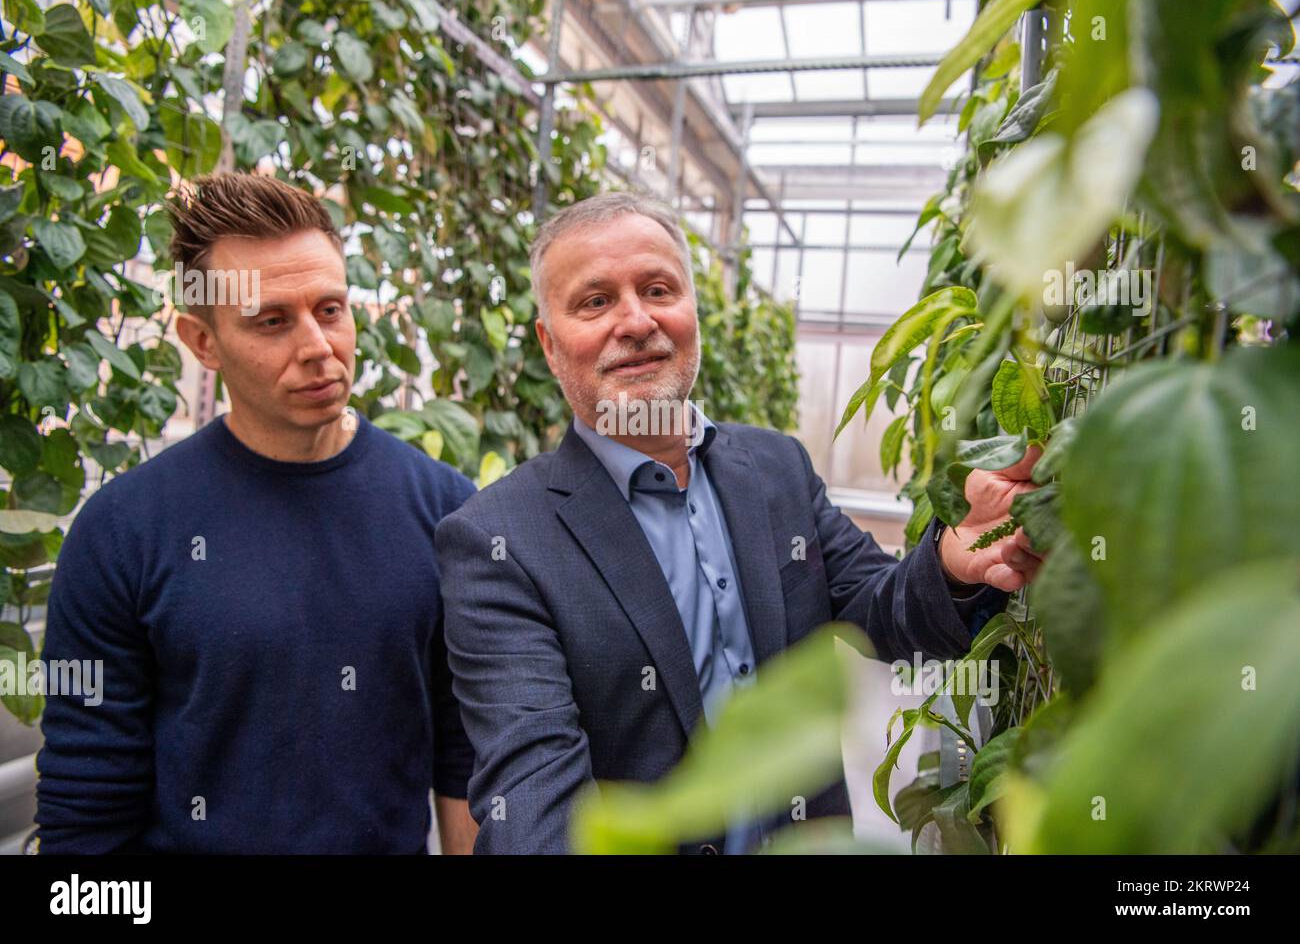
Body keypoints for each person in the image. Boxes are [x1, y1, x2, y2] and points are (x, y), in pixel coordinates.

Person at [435, 191, 1045, 854]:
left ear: (695, 311)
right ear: (551, 347)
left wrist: (955, 560)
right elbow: (536, 801)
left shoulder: (775, 468)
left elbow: (879, 613)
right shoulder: (500, 541)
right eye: (595, 301)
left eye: (658, 288)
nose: (636, 321)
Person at [35, 173, 478, 853]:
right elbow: (86, 810)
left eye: (330, 309)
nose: (317, 347)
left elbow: (466, 756)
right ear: (202, 342)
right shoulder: (123, 532)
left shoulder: (446, 510)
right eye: (272, 321)